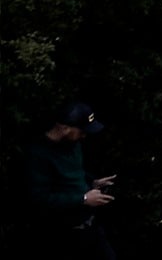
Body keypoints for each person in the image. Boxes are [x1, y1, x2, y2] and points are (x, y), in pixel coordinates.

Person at [23, 103, 115, 260]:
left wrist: (93, 182)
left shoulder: (73, 144)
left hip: (90, 227)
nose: (84, 136)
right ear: (65, 128)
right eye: (81, 131)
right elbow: (39, 199)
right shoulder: (38, 155)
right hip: (64, 236)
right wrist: (83, 199)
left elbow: (74, 172)